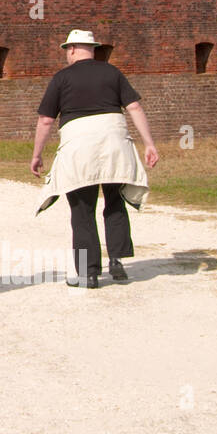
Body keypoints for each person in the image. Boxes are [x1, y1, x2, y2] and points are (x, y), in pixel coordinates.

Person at [31, 30, 159, 288]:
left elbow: (46, 120)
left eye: (67, 49)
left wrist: (37, 154)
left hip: (79, 147)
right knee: (115, 200)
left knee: (82, 210)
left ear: (72, 49)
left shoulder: (62, 78)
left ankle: (88, 273)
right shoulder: (112, 73)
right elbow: (134, 107)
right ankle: (117, 261)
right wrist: (149, 143)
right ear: (92, 48)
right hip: (114, 144)